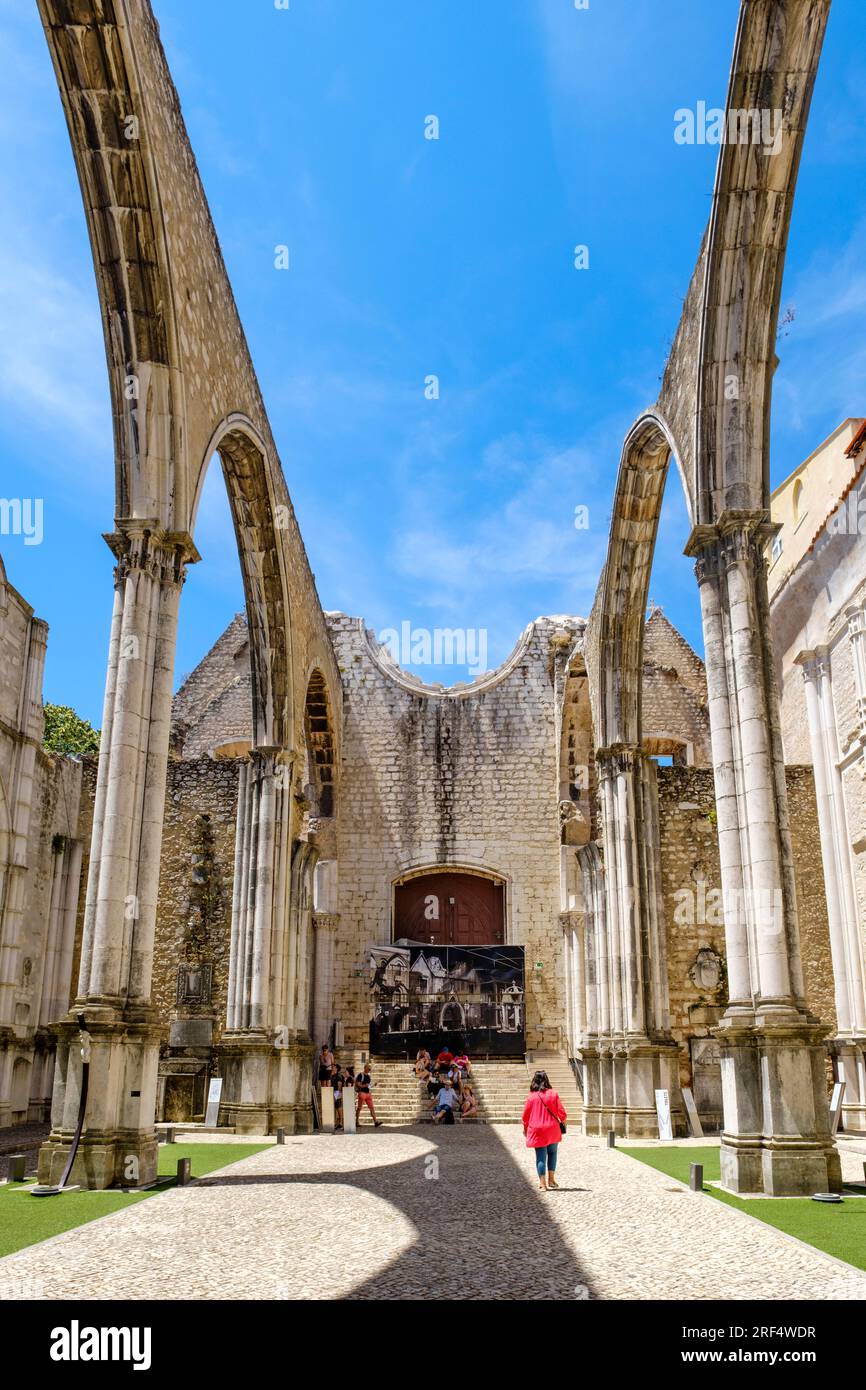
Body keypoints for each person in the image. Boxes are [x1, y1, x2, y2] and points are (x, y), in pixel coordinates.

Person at [522, 1069, 567, 1191]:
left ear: (534, 1081)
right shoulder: (553, 1094)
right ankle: (551, 1180)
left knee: (540, 1156)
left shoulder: (531, 1097)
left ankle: (542, 1184)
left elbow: (525, 1116)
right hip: (552, 1128)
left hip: (537, 1130)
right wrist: (562, 1121)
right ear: (546, 1080)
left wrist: (525, 1129)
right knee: (552, 1153)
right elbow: (562, 1113)